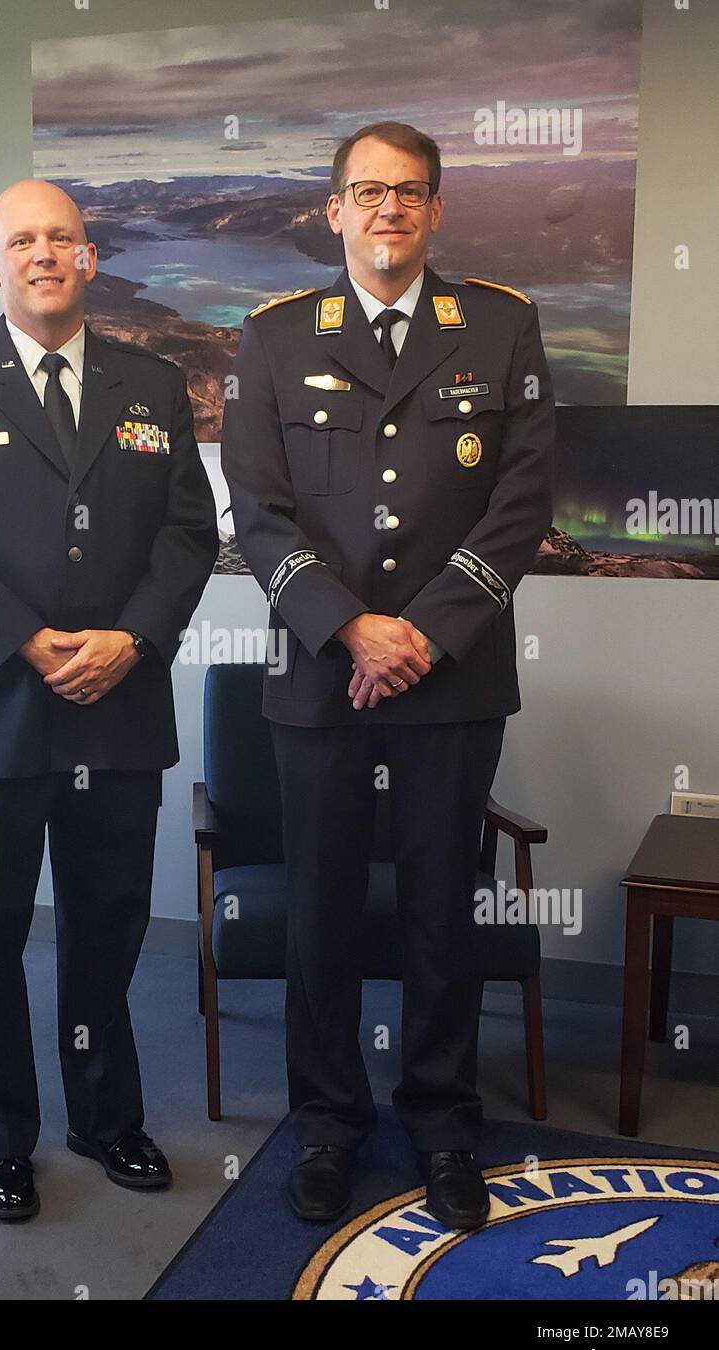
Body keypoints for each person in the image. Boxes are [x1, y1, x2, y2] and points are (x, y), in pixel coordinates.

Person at [221, 122, 554, 1227]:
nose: (387, 210)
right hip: (319, 674)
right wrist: (352, 628)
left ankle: (442, 1124)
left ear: (435, 211)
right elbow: (259, 517)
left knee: (436, 910)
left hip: (449, 676)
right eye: (366, 192)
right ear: (332, 210)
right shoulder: (271, 339)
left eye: (408, 193)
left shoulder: (500, 325)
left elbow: (520, 505)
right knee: (318, 908)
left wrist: (420, 631)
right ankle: (325, 1124)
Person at [0, 179, 218, 1221]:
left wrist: (131, 639)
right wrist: (30, 642)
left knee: (106, 924)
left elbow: (185, 536)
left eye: (62, 237)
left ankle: (106, 1117)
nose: (43, 253)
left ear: (89, 258)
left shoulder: (152, 386)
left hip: (116, 704)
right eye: (22, 240)